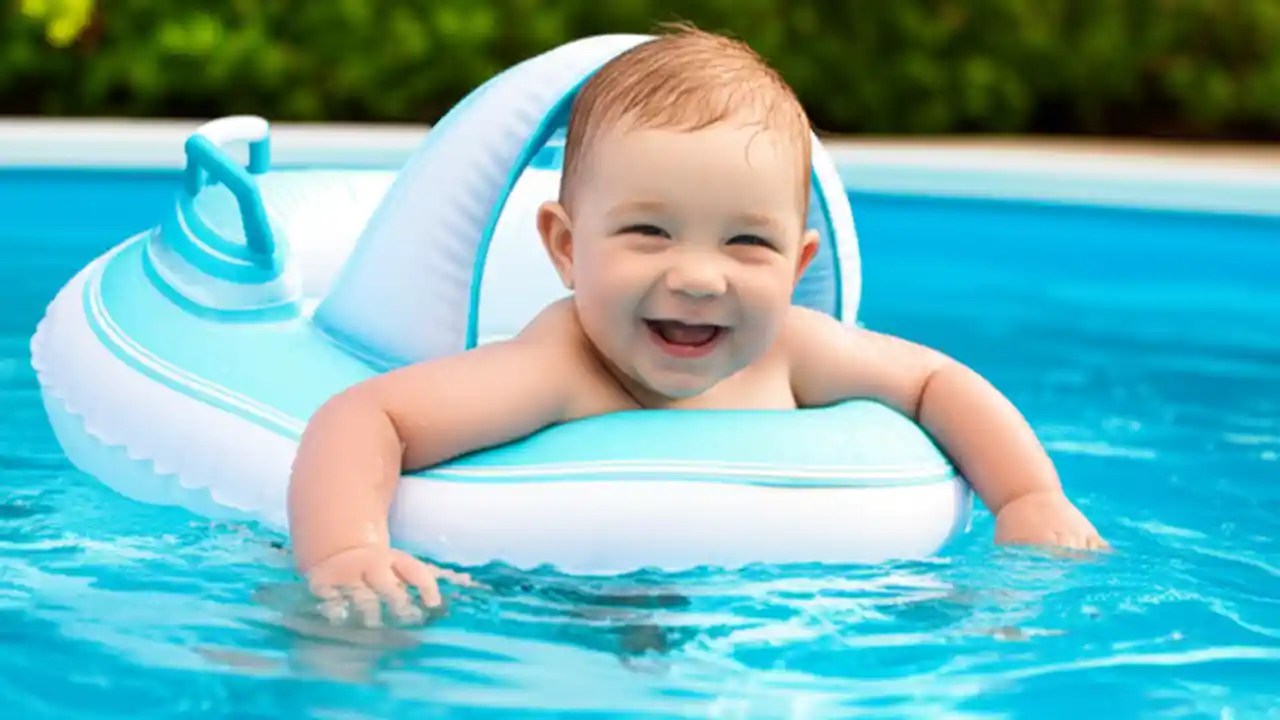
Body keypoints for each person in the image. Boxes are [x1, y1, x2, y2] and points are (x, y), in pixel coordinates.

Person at [287, 25, 1106, 627]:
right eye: (649, 232)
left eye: (747, 241)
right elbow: (366, 417)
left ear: (796, 265)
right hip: (550, 609)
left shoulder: (793, 352)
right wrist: (345, 551)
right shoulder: (557, 371)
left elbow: (936, 382)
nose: (698, 276)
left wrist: (1027, 496)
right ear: (567, 249)